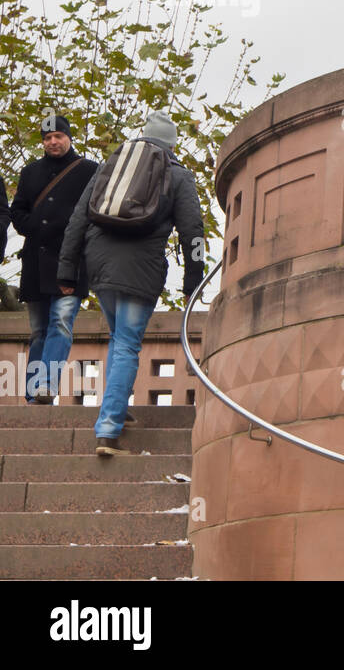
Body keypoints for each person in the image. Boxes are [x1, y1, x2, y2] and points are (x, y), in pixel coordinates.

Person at [58, 110, 204, 455]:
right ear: (171, 145)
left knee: (118, 339)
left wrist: (67, 269)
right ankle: (108, 431)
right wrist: (193, 280)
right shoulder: (178, 175)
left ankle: (117, 407)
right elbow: (193, 231)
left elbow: (79, 217)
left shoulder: (113, 165)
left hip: (100, 266)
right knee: (126, 344)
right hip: (141, 269)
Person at [8, 115, 98, 403]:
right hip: (35, 262)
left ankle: (47, 385)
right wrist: (37, 227)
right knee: (38, 331)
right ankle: (33, 394)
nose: (52, 142)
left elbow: (97, 213)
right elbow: (17, 211)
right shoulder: (30, 172)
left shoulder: (90, 170)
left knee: (60, 322)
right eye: (47, 138)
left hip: (71, 263)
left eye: (58, 136)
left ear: (68, 137)